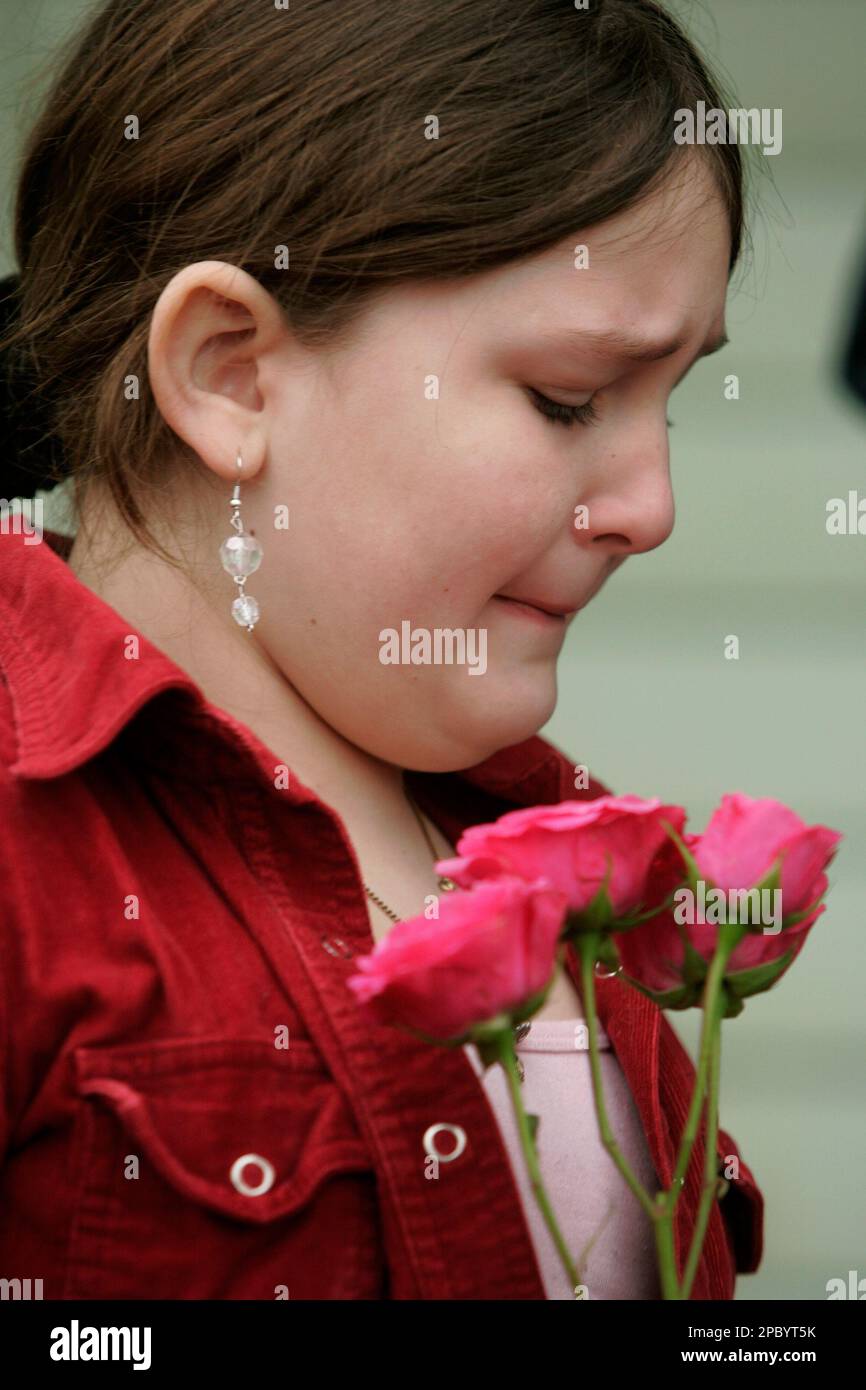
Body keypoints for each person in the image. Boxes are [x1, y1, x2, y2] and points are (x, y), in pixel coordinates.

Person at [0, 0, 763, 1300]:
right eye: (568, 398)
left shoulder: (570, 872)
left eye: (671, 401)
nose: (650, 506)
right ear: (230, 372)